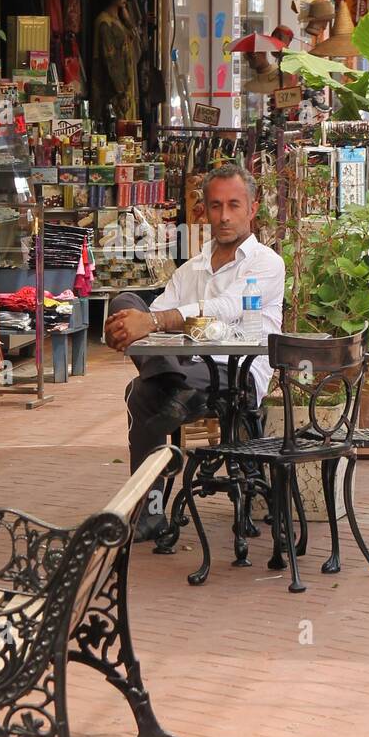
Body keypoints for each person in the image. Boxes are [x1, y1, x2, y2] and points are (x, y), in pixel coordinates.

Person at [105, 163, 285, 539]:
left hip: (236, 373)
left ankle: (148, 512)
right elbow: (149, 315)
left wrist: (151, 324)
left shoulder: (266, 263)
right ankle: (171, 388)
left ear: (251, 209)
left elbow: (225, 308)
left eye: (234, 205)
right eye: (216, 206)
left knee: (141, 395)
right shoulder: (192, 269)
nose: (224, 216)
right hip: (186, 369)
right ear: (204, 210)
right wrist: (123, 327)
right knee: (122, 300)